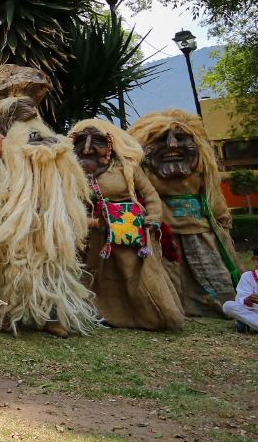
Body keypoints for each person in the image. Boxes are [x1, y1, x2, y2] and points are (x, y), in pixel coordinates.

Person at [0, 62, 95, 336]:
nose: (27, 111)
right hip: (11, 215)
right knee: (10, 266)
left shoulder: (51, 148)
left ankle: (52, 315)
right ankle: (8, 314)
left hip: (48, 217)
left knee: (53, 262)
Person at [69, 119, 183, 331]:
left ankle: (148, 316)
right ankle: (101, 313)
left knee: (133, 273)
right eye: (82, 145)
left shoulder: (127, 167)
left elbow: (150, 195)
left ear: (109, 147)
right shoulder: (73, 172)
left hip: (130, 232)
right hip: (95, 235)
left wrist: (153, 218)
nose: (88, 150)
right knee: (94, 275)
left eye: (96, 145)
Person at [129, 109, 240, 317]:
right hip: (161, 233)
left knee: (210, 271)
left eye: (180, 138)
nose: (172, 145)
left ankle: (220, 303)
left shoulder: (202, 168)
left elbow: (214, 196)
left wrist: (222, 219)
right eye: (161, 139)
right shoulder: (140, 172)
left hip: (201, 232)